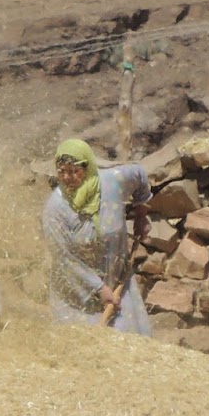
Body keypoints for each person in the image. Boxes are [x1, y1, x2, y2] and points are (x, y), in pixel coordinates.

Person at [41, 138, 152, 335]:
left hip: (119, 281)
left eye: (74, 171)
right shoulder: (55, 209)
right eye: (62, 171)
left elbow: (139, 174)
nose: (68, 177)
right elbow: (65, 258)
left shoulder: (113, 182)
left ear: (88, 167)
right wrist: (99, 289)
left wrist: (141, 216)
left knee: (132, 344)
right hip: (78, 294)